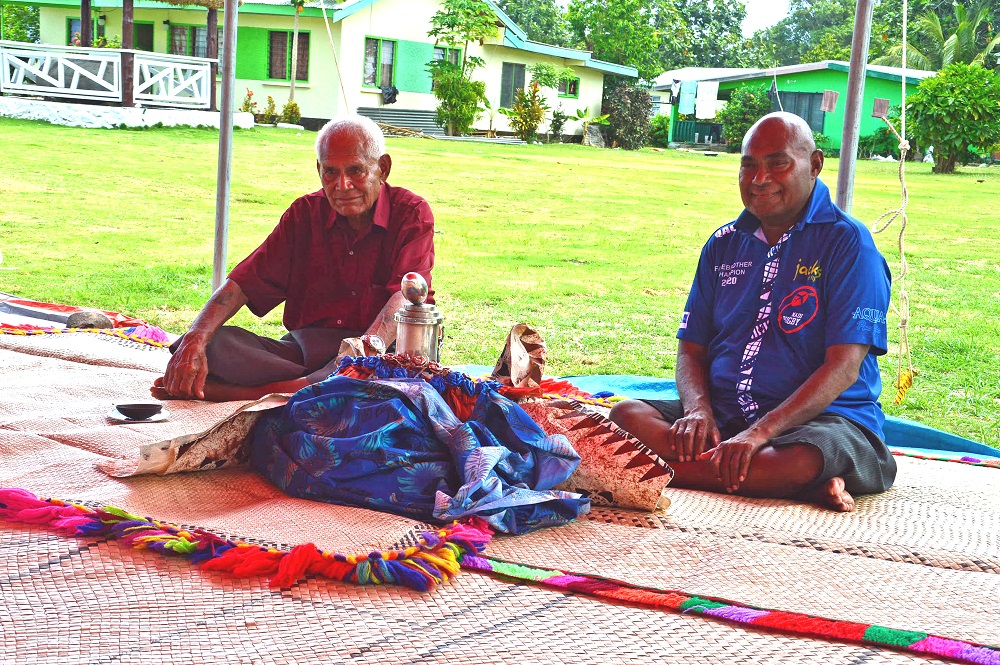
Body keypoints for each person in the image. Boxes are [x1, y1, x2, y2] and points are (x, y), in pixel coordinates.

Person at [610, 112, 895, 512]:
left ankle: (677, 471)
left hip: (823, 421)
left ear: (814, 165)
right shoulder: (723, 244)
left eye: (777, 163)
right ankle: (778, 482)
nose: (760, 179)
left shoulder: (848, 244)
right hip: (727, 414)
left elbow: (844, 368)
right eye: (748, 165)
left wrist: (761, 432)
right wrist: (698, 411)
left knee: (801, 459)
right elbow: (691, 349)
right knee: (625, 416)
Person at [152, 115, 434, 402]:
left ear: (382, 168)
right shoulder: (304, 214)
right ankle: (302, 389)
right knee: (217, 344)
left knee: (366, 377)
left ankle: (249, 394)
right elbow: (243, 282)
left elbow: (403, 298)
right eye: (330, 172)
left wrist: (362, 351)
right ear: (318, 170)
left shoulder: (411, 213)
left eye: (356, 171)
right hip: (303, 354)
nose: (342, 185)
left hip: (374, 352)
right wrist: (195, 339)